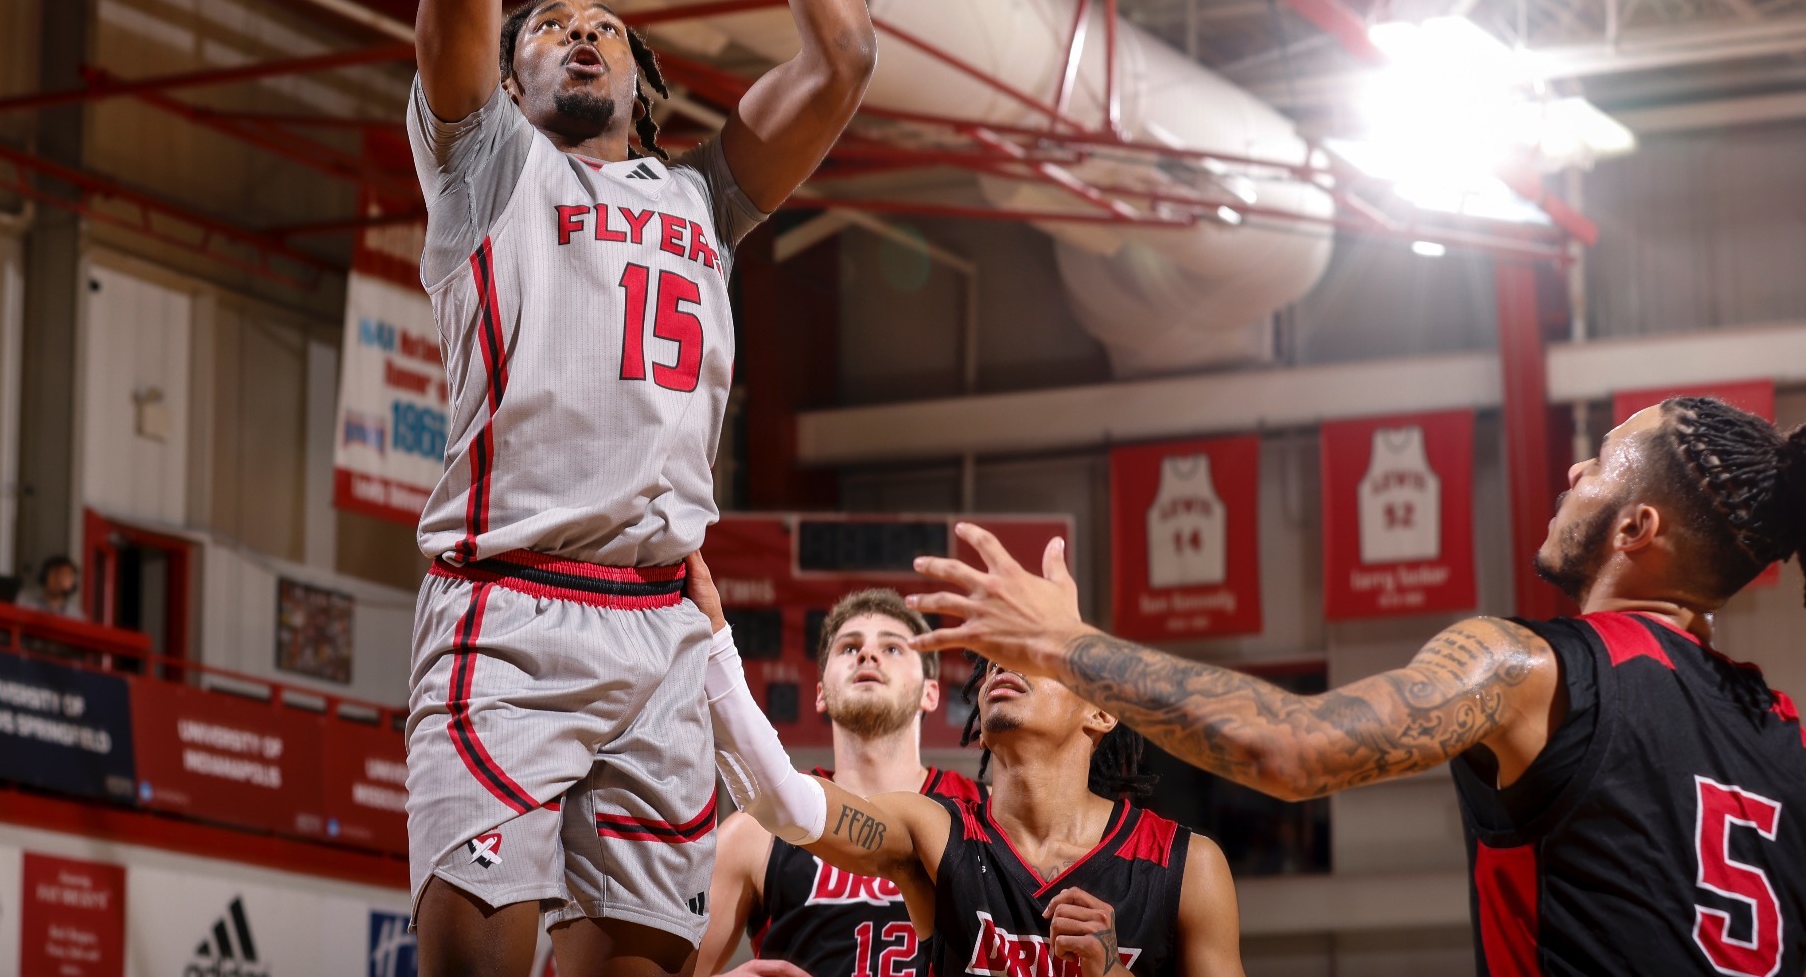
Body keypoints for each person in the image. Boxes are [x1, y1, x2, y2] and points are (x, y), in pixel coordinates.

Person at [405, 0, 875, 977]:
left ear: (651, 91)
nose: (581, 34)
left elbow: (842, 56)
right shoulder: (483, 165)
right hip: (510, 603)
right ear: (513, 75)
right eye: (552, 27)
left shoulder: (702, 198)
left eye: (608, 27)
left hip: (662, 619)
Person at [908, 398, 1806, 976]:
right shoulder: (1785, 734)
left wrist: (1065, 644)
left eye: (1603, 459)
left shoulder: (1531, 667)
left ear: (1637, 526)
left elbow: (1289, 748)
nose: (1575, 473)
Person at [688, 556, 1244, 977]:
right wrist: (715, 642)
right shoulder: (934, 832)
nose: (1003, 661)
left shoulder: (1188, 867)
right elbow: (784, 801)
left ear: (1101, 712)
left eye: (1036, 652)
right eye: (995, 654)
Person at [695, 589, 979, 977]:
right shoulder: (753, 833)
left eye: (893, 648)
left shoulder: (986, 811)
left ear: (931, 692)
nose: (867, 655)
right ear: (820, 694)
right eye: (848, 648)